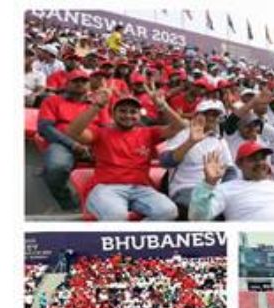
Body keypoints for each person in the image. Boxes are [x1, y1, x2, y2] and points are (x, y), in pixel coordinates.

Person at [64, 87, 185, 220]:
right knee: (116, 215)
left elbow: (180, 127)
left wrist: (163, 105)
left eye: (133, 112)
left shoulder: (149, 133)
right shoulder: (101, 132)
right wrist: (97, 106)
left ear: (139, 115)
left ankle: (137, 240)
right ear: (113, 114)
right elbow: (72, 132)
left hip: (140, 189)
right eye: (122, 111)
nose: (128, 115)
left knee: (169, 211)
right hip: (107, 188)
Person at [188, 141, 274, 221]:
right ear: (239, 164)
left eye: (263, 159)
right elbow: (197, 218)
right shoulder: (226, 188)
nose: (260, 163)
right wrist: (208, 183)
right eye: (253, 159)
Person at [36, 70, 95, 210]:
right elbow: (45, 128)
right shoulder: (52, 101)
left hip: (93, 143)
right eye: (75, 81)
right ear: (67, 84)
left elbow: (106, 126)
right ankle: (70, 205)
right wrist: (73, 145)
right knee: (56, 168)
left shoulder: (96, 103)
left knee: (126, 163)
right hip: (62, 143)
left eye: (84, 81)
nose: (80, 84)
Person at [161, 99, 234, 212]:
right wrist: (190, 142)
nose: (211, 118)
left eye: (215, 115)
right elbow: (165, 162)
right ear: (197, 116)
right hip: (186, 188)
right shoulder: (182, 133)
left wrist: (229, 190)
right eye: (207, 114)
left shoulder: (219, 140)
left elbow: (230, 170)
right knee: (202, 210)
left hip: (214, 189)